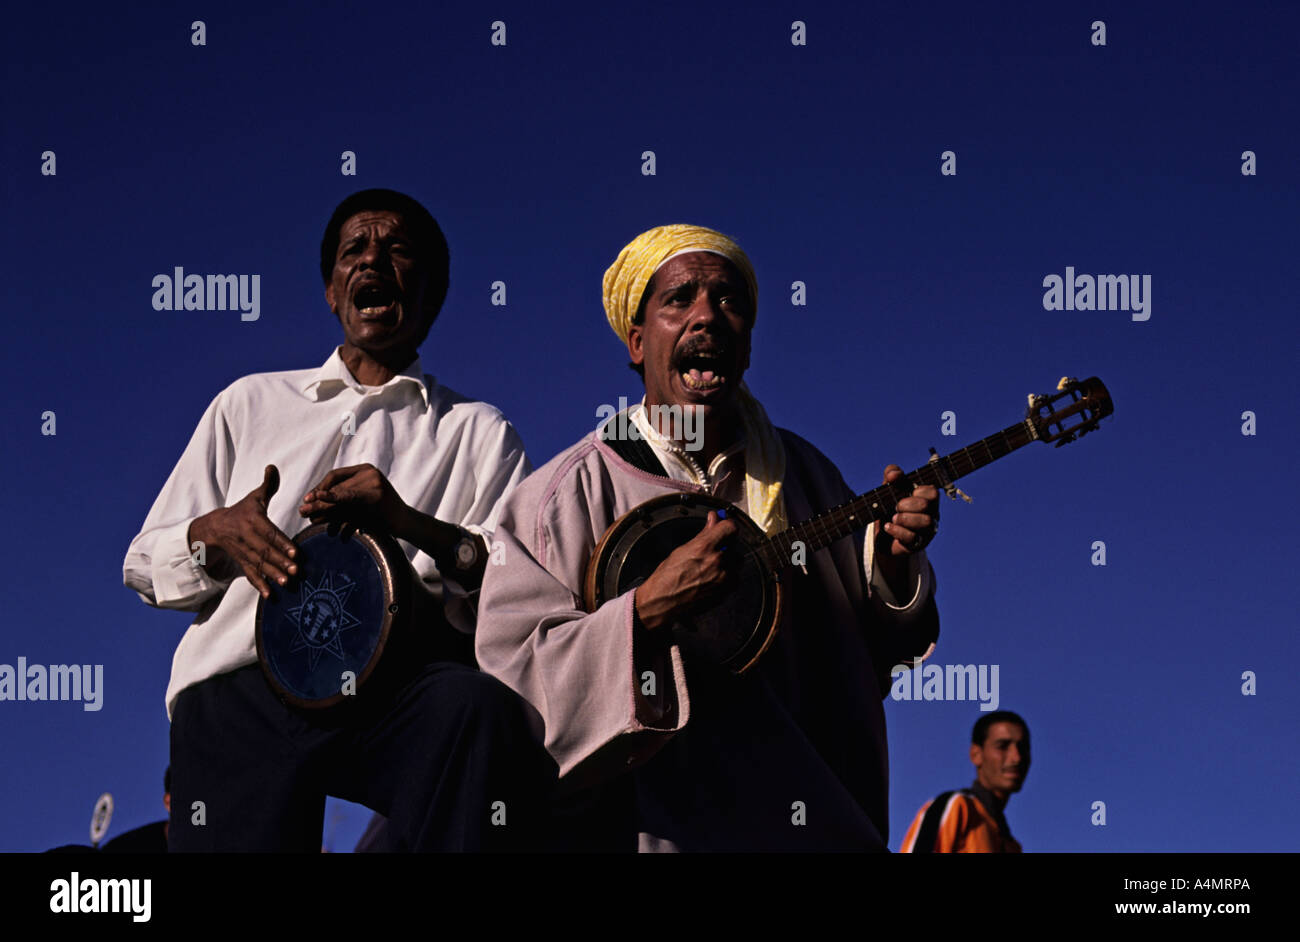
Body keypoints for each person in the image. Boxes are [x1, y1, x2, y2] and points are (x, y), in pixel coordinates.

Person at [474, 224, 941, 851]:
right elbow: (513, 688)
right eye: (679, 299)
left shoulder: (811, 480)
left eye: (728, 301)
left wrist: (890, 567)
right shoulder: (561, 495)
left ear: (747, 345)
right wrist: (643, 613)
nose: (708, 318)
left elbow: (868, 665)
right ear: (637, 343)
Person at [124, 188, 555, 851]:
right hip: (239, 690)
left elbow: (511, 589)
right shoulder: (249, 402)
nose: (372, 260)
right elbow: (143, 564)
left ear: (432, 294)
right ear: (332, 291)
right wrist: (214, 538)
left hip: (394, 694)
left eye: (398, 250)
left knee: (477, 712)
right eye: (355, 249)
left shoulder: (477, 432)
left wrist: (407, 521)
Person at [900, 710, 1030, 853]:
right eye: (1002, 746)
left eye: (1023, 748)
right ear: (976, 754)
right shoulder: (956, 806)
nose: (1017, 758)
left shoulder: (1013, 845)